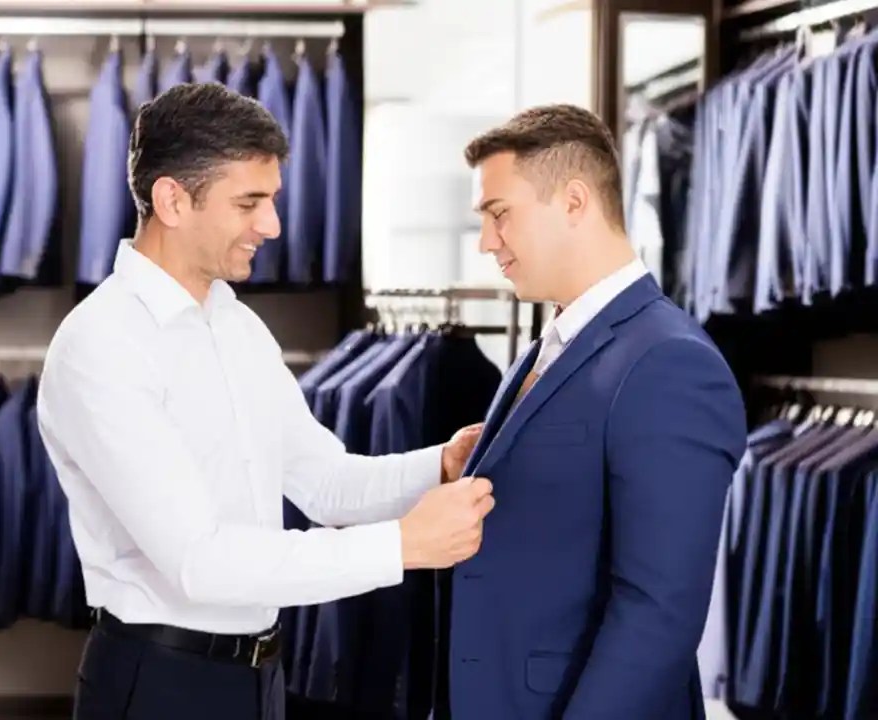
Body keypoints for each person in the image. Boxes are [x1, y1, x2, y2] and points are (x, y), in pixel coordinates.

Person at [36, 83, 496, 720]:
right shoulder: (102, 346)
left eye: (272, 201)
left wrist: (439, 464)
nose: (273, 226)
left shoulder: (238, 327)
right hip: (162, 687)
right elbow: (201, 560)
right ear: (172, 199)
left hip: (260, 681)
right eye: (249, 202)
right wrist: (403, 545)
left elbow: (326, 483)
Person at [439, 103, 748, 719]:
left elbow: (658, 612)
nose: (485, 242)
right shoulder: (551, 346)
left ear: (574, 202)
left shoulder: (670, 362)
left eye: (499, 215)